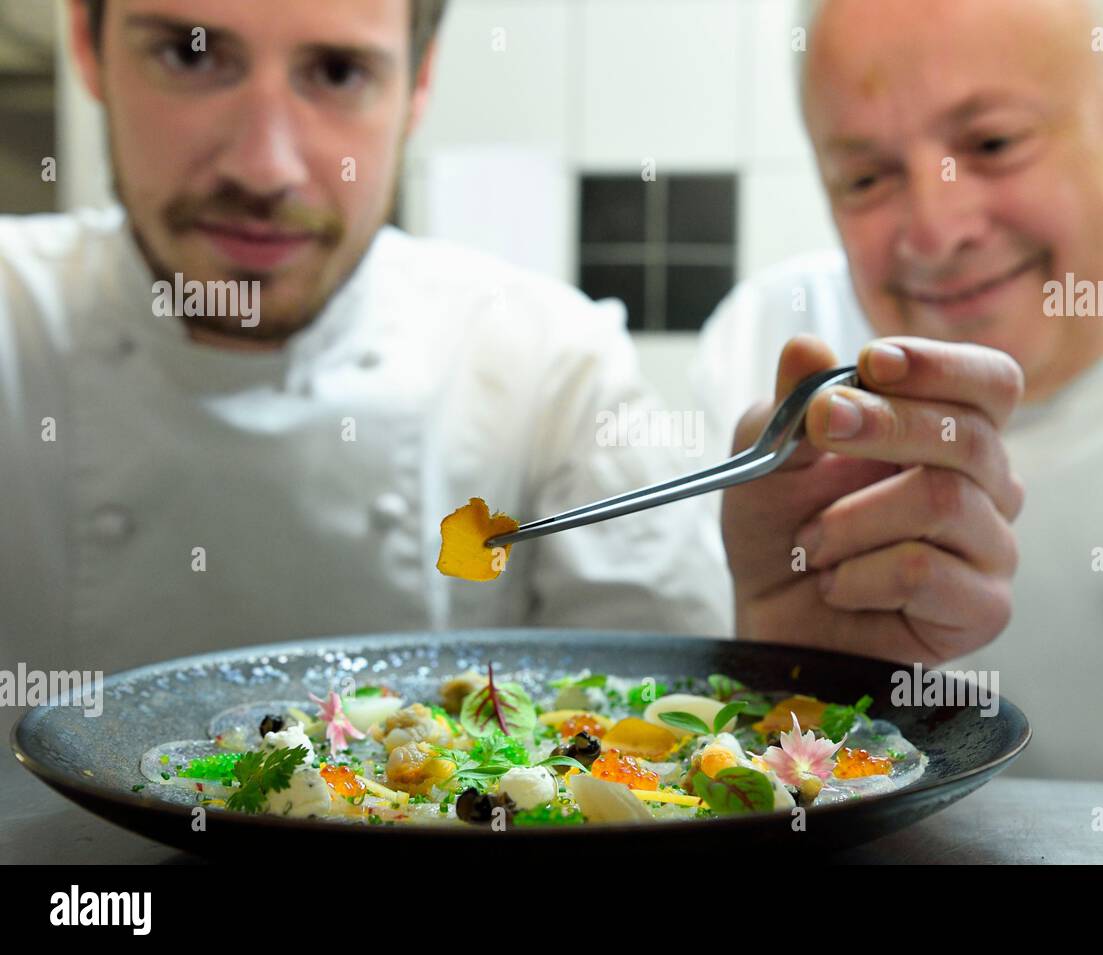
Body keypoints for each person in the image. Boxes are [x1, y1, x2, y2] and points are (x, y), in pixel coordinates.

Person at [0, 0, 1023, 719]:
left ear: (418, 86)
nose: (264, 165)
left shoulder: (549, 368)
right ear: (87, 45)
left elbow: (649, 760)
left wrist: (789, 674)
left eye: (338, 72)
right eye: (190, 57)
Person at [693, 0, 1103, 789]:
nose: (936, 232)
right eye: (866, 178)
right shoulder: (765, 357)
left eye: (994, 143)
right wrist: (779, 674)